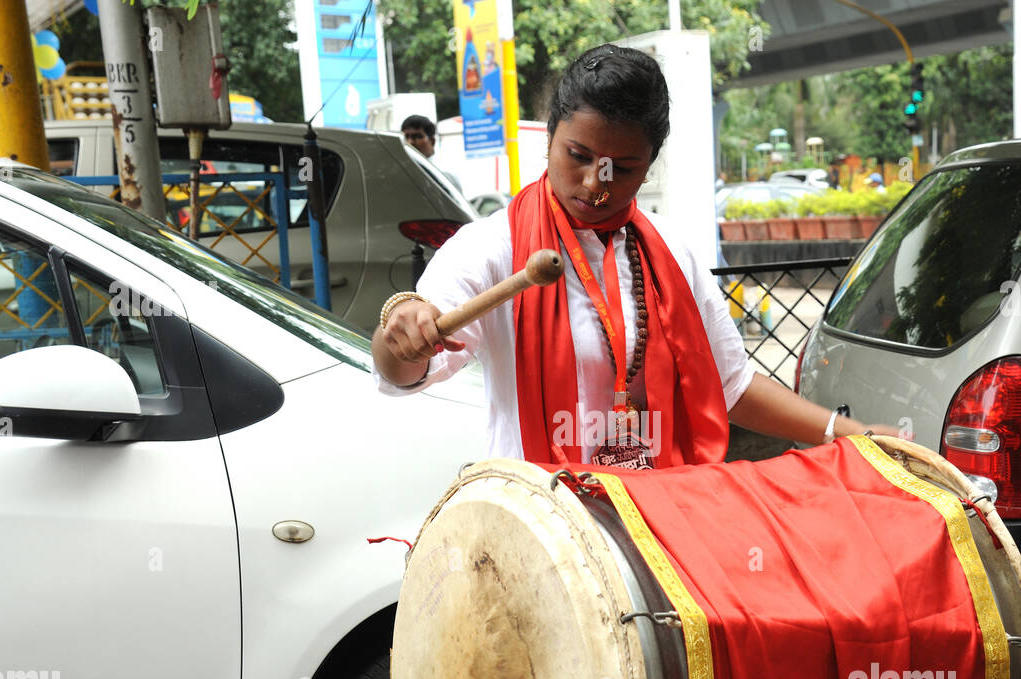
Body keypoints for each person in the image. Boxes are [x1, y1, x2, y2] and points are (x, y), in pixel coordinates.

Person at [373, 45, 902, 468]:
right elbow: (403, 371)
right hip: (543, 534)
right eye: (577, 156)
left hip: (659, 519)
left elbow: (731, 386)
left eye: (621, 168)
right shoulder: (492, 248)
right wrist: (401, 331)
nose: (594, 184)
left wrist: (845, 432)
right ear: (550, 133)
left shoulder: (672, 251)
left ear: (649, 166)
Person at [400, 114, 464, 193]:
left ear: (432, 141)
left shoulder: (444, 173)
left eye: (417, 136)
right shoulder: (401, 170)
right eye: (406, 137)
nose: (410, 142)